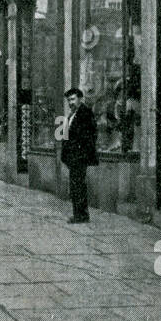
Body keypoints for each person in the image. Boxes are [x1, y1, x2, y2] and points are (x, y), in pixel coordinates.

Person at [59, 87, 99, 224]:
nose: (70, 102)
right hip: (72, 157)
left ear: (80, 99)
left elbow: (90, 135)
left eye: (73, 99)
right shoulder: (72, 114)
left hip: (79, 157)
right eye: (69, 100)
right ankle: (78, 214)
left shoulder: (85, 113)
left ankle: (81, 215)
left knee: (78, 186)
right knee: (76, 186)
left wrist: (81, 152)